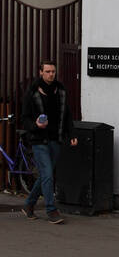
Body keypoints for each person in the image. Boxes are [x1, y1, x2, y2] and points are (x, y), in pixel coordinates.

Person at [19, 60, 78, 224]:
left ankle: (29, 205)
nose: (51, 74)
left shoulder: (60, 90)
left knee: (46, 175)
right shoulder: (32, 92)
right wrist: (35, 125)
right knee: (47, 174)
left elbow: (67, 114)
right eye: (47, 71)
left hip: (55, 139)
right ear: (40, 72)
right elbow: (24, 118)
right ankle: (51, 210)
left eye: (53, 71)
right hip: (39, 140)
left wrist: (71, 133)